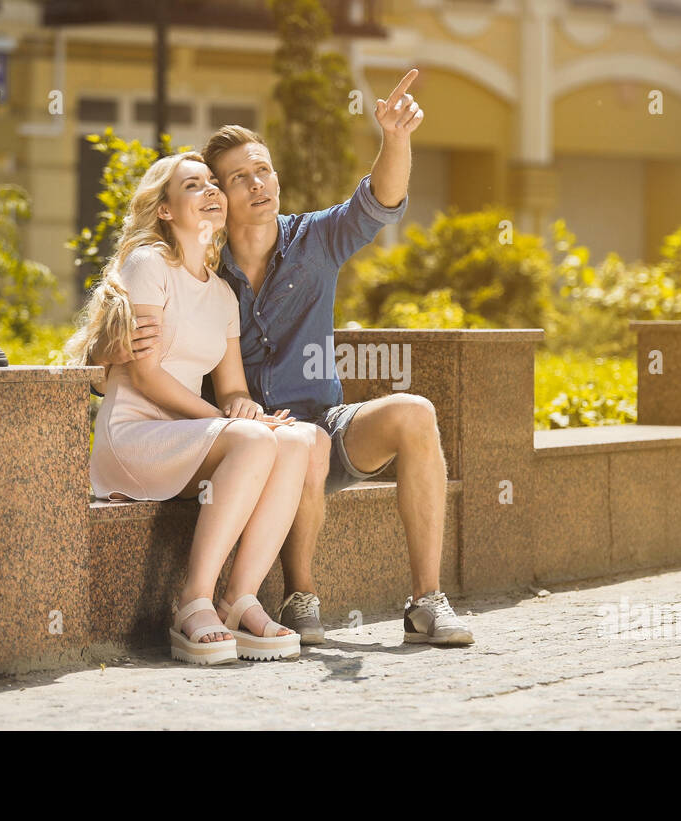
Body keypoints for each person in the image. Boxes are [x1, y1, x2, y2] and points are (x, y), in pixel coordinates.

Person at [90, 69, 473, 647]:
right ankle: (299, 596)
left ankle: (426, 601)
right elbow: (122, 345)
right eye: (237, 178)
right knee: (303, 442)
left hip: (320, 422)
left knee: (414, 412)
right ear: (217, 197)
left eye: (263, 170)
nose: (257, 185)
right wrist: (105, 349)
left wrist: (396, 138)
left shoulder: (314, 240)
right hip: (250, 442)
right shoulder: (199, 269)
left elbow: (379, 203)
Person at [65, 151, 319, 665]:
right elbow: (145, 373)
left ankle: (237, 599)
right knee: (251, 439)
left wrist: (243, 409)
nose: (210, 192)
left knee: (296, 441)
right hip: (134, 438)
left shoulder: (224, 294)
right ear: (164, 210)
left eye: (212, 184)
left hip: (187, 438)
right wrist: (227, 423)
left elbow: (231, 389)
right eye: (192, 186)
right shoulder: (148, 265)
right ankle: (192, 602)